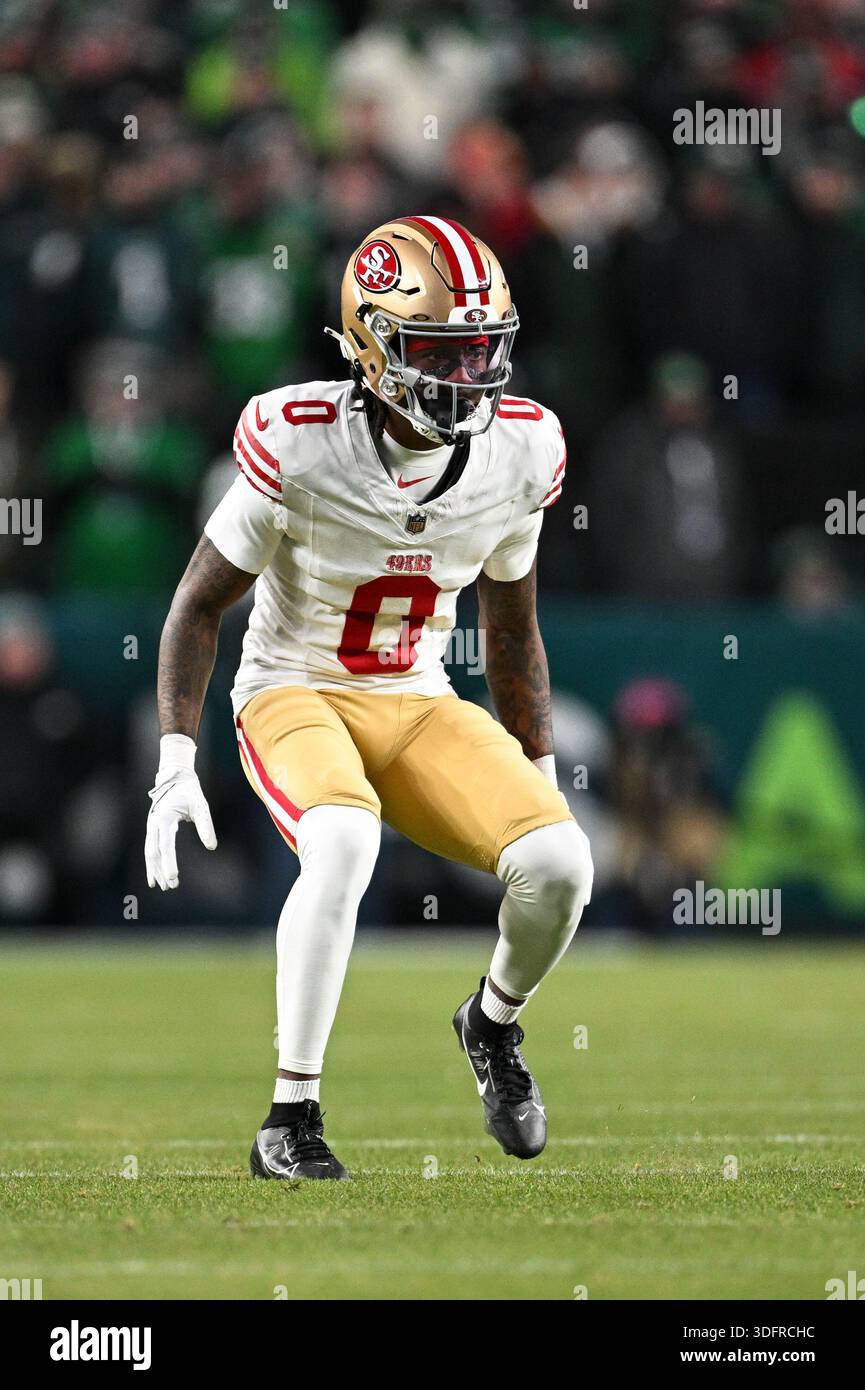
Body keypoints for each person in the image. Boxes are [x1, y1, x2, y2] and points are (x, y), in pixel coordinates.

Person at [144, 216, 593, 1180]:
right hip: (293, 687)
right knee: (344, 840)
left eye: (483, 348)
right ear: (370, 343)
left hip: (415, 697)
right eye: (440, 350)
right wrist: (176, 758)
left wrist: (540, 773)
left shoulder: (522, 452)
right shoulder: (297, 442)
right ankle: (289, 1117)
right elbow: (196, 606)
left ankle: (492, 1025)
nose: (469, 375)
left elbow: (511, 630)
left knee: (559, 864)